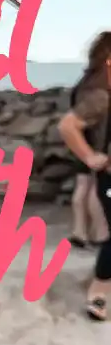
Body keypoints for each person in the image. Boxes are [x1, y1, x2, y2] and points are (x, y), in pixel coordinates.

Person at [58, 30, 111, 321]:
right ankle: (99, 294)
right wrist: (91, 156)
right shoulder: (100, 94)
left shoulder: (92, 86)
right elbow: (68, 125)